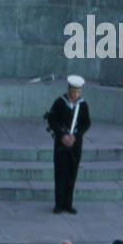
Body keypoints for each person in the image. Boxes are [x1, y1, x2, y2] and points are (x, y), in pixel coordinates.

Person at [46, 74, 91, 214]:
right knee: (60, 173)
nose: (75, 94)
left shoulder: (82, 105)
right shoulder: (60, 102)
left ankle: (68, 204)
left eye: (78, 92)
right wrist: (62, 135)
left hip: (75, 144)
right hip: (61, 143)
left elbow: (86, 123)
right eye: (73, 91)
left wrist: (76, 136)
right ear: (68, 89)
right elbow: (52, 120)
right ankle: (58, 204)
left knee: (72, 173)